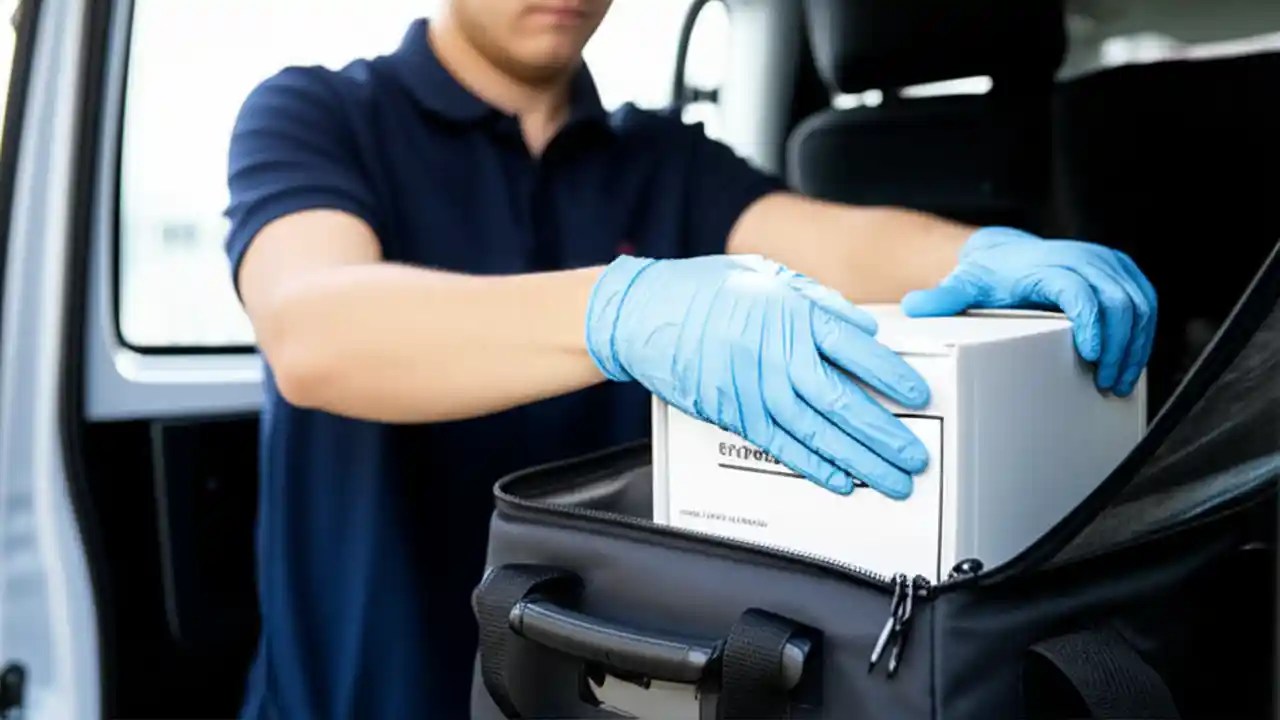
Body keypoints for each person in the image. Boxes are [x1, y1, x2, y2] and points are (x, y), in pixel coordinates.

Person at [223, 1, 1157, 717]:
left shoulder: (663, 160)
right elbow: (313, 329)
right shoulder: (317, 112)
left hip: (572, 694)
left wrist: (990, 254)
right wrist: (617, 308)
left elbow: (834, 242)